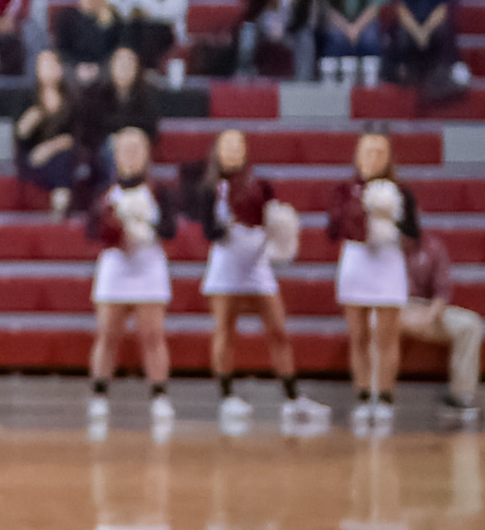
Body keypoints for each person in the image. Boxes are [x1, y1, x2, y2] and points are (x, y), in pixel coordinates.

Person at [182, 126, 313, 433]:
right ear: (217, 151)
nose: (232, 150)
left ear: (245, 150)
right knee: (225, 329)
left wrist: (282, 230)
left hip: (257, 263)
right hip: (226, 264)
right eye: (226, 145)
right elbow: (209, 231)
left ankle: (292, 397)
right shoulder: (210, 189)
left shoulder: (260, 185)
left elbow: (272, 220)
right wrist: (228, 223)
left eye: (237, 145)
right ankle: (226, 396)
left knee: (278, 328)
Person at [87, 125, 179, 431]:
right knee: (107, 333)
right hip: (116, 265)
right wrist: (113, 230)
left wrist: (144, 227)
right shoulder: (105, 192)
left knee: (153, 335)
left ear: (146, 154)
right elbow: (92, 231)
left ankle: (159, 396)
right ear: (115, 155)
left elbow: (170, 230)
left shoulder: (159, 191)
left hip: (148, 264)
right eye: (124, 150)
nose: (130, 156)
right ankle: (99, 395)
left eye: (136, 150)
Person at [332, 128, 418, 432]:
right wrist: (357, 216)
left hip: (388, 265)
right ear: (357, 155)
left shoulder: (402, 192)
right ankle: (362, 394)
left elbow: (414, 235)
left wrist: (393, 220)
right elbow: (332, 229)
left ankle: (385, 397)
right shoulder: (345, 191)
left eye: (380, 152)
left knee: (386, 338)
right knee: (358, 336)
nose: (373, 157)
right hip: (357, 264)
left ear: (389, 157)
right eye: (367, 151)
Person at [401, 225, 482, 429]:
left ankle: (461, 396)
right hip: (391, 309)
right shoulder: (382, 248)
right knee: (373, 322)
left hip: (427, 308)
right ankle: (374, 397)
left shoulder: (433, 247)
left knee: (470, 325)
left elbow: (441, 292)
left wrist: (429, 316)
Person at [13, 49, 91, 217]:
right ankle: (60, 203)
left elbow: (75, 137)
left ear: (59, 68)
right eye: (43, 65)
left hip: (64, 156)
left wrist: (50, 147)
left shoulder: (73, 98)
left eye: (51, 64)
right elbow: (20, 136)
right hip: (33, 158)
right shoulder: (27, 98)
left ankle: (60, 208)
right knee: (58, 163)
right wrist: (30, 122)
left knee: (63, 160)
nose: (47, 69)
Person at [81, 44, 163, 180]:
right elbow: (91, 128)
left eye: (129, 63)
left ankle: (139, 185)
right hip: (106, 144)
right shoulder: (97, 93)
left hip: (137, 142)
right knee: (112, 146)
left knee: (135, 144)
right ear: (111, 67)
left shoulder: (148, 94)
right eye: (120, 63)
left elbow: (151, 128)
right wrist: (117, 138)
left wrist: (130, 135)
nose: (124, 68)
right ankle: (115, 185)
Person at [50, 0, 120, 85]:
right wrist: (79, 65)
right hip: (72, 69)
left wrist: (105, 24)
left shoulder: (112, 18)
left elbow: (114, 50)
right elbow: (60, 49)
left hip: (103, 71)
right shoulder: (64, 16)